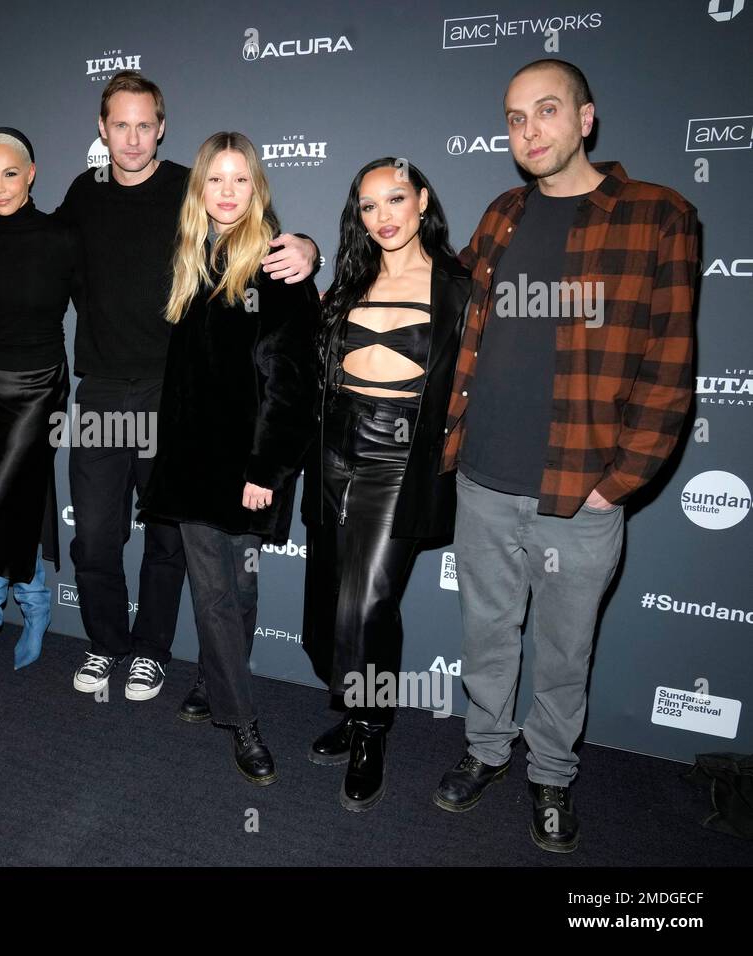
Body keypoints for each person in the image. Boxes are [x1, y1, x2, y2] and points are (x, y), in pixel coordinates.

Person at [0, 72, 318, 705]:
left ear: (161, 127)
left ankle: (151, 650)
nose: (131, 138)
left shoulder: (193, 187)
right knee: (95, 535)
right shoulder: (85, 190)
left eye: (143, 124)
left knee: (168, 537)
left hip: (169, 394)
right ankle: (105, 642)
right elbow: (34, 234)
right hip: (99, 391)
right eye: (119, 125)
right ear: (102, 130)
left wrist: (309, 249)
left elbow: (260, 241)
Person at [434, 59, 698, 853]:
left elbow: (670, 365)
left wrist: (615, 485)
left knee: (562, 652)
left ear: (586, 118)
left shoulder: (658, 215)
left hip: (580, 493)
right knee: (486, 634)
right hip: (483, 480)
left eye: (546, 112)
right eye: (515, 118)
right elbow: (442, 295)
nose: (529, 131)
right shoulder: (504, 213)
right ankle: (486, 752)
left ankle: (551, 774)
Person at [140, 132, 318, 786]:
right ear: (200, 189)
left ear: (256, 188)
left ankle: (211, 680)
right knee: (214, 594)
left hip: (247, 468)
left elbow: (293, 383)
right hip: (189, 463)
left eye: (240, 180)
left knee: (239, 591)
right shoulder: (191, 257)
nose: (226, 191)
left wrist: (265, 471)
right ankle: (241, 720)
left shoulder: (275, 265)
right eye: (215, 179)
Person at [299, 158, 470, 811]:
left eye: (395, 199)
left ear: (421, 198)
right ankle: (354, 705)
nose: (383, 217)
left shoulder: (457, 284)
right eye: (368, 206)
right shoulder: (351, 277)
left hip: (400, 459)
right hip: (335, 450)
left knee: (366, 601)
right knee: (332, 603)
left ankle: (371, 731)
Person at [0, 128, 81, 697]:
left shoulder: (62, 237)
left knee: (1, 498)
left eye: (9, 173)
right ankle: (34, 601)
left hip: (39, 387)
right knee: (8, 493)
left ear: (31, 173)